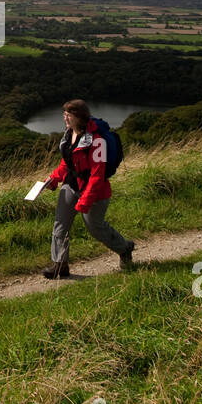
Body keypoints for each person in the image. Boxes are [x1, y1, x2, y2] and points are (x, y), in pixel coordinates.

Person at [40, 99, 134, 279]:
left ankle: (125, 248)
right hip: (71, 185)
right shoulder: (69, 135)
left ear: (79, 117)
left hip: (94, 192)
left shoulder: (96, 141)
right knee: (60, 225)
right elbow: (66, 164)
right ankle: (60, 265)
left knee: (96, 228)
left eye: (69, 114)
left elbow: (97, 175)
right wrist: (52, 180)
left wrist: (85, 200)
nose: (65, 117)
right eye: (64, 113)